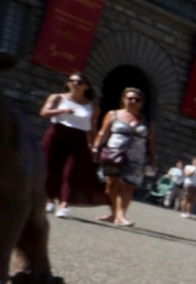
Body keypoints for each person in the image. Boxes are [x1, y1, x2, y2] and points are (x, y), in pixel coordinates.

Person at [90, 87, 154, 228]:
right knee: (110, 184)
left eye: (136, 100)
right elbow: (103, 133)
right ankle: (114, 213)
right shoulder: (113, 114)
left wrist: (152, 159)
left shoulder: (146, 120)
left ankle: (120, 215)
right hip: (114, 153)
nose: (132, 101)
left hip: (137, 157)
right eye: (129, 98)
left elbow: (151, 140)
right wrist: (95, 147)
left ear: (141, 103)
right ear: (123, 99)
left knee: (128, 186)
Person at [39, 74, 97, 218]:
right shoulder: (58, 98)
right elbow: (44, 112)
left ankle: (64, 204)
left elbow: (92, 127)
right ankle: (49, 199)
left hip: (78, 138)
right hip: (57, 133)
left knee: (70, 171)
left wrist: (94, 145)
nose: (75, 83)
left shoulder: (92, 106)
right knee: (51, 167)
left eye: (79, 81)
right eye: (72, 81)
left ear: (86, 86)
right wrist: (63, 110)